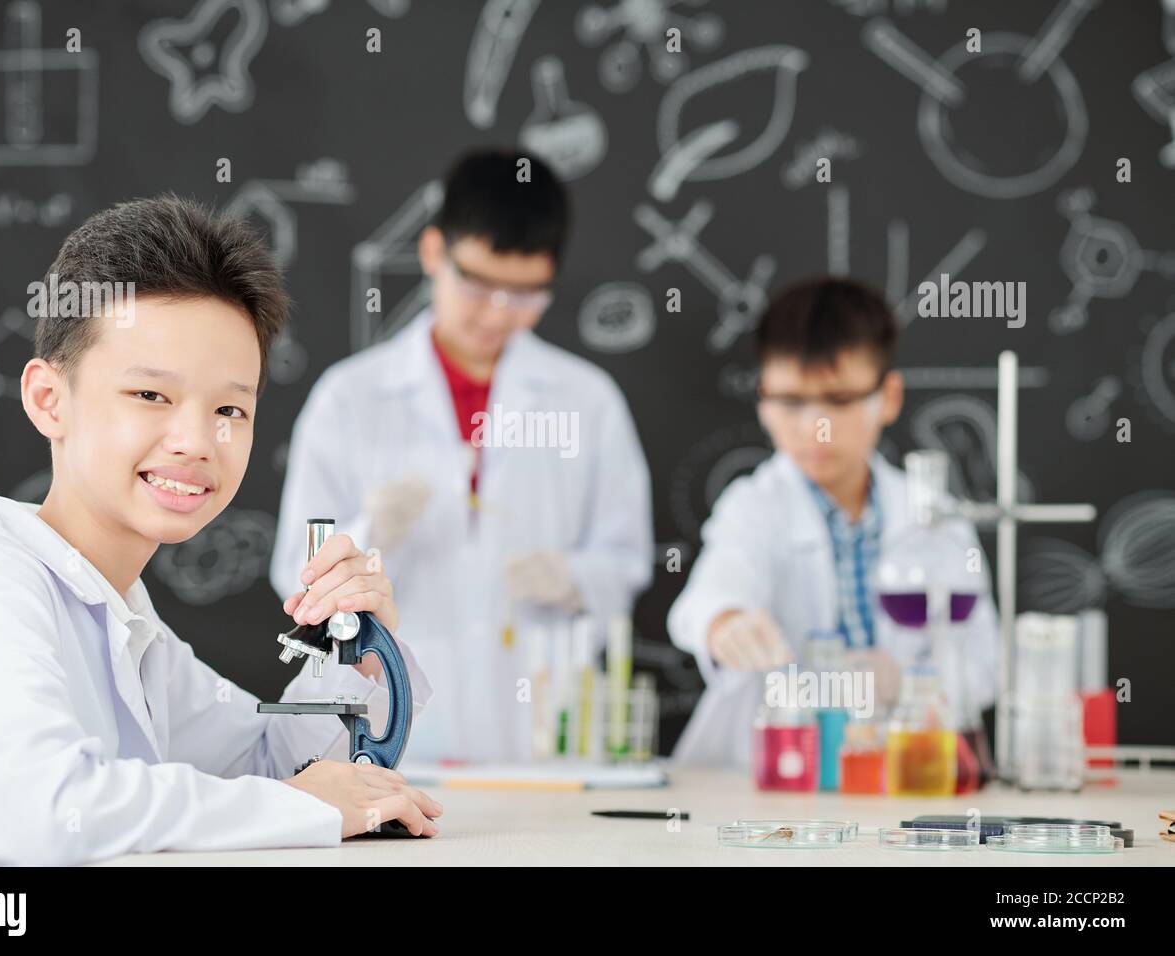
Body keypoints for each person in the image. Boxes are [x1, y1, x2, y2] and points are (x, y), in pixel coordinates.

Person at [0, 195, 440, 866]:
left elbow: (264, 763)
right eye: (151, 395)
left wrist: (358, 648)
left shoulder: (121, 617)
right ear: (48, 399)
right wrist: (309, 805)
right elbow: (47, 816)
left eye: (230, 407)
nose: (197, 441)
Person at [270, 149, 654, 762]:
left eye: (525, 293)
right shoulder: (351, 397)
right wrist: (372, 536)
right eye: (477, 285)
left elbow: (627, 560)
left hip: (541, 723)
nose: (499, 313)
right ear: (432, 253)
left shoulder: (588, 401)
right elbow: (294, 569)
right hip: (394, 718)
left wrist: (572, 579)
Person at [667, 277, 998, 767]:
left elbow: (986, 666)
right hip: (766, 780)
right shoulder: (754, 506)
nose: (812, 427)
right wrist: (725, 623)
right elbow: (710, 595)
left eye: (839, 400)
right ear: (762, 399)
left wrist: (906, 687)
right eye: (791, 401)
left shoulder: (936, 519)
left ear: (887, 396)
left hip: (901, 776)